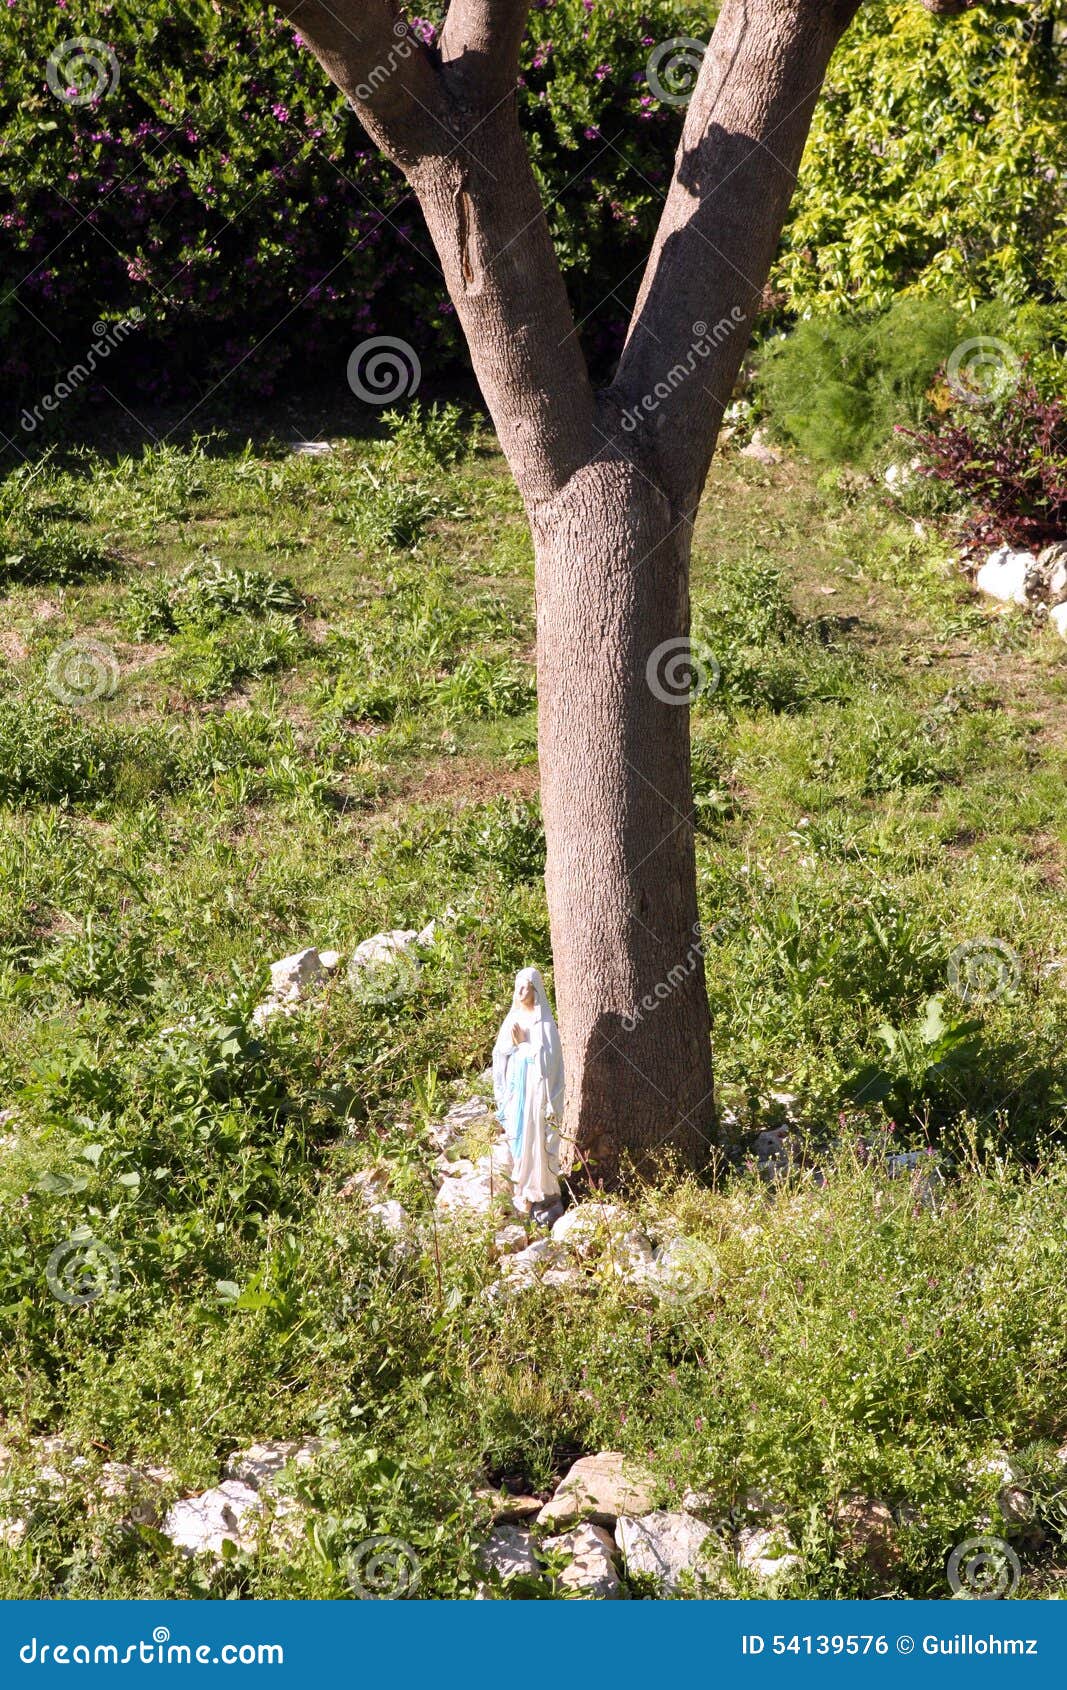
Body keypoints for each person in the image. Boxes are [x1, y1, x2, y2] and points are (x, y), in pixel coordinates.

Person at [492, 967, 565, 1221]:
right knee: (518, 1138)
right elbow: (500, 1055)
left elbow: (548, 1062)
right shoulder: (513, 1018)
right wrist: (513, 1046)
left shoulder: (543, 1022)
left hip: (536, 1093)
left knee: (536, 1138)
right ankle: (522, 1188)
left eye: (525, 987)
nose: (520, 992)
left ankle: (543, 1191)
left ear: (536, 990)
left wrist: (523, 1044)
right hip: (517, 1091)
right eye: (518, 987)